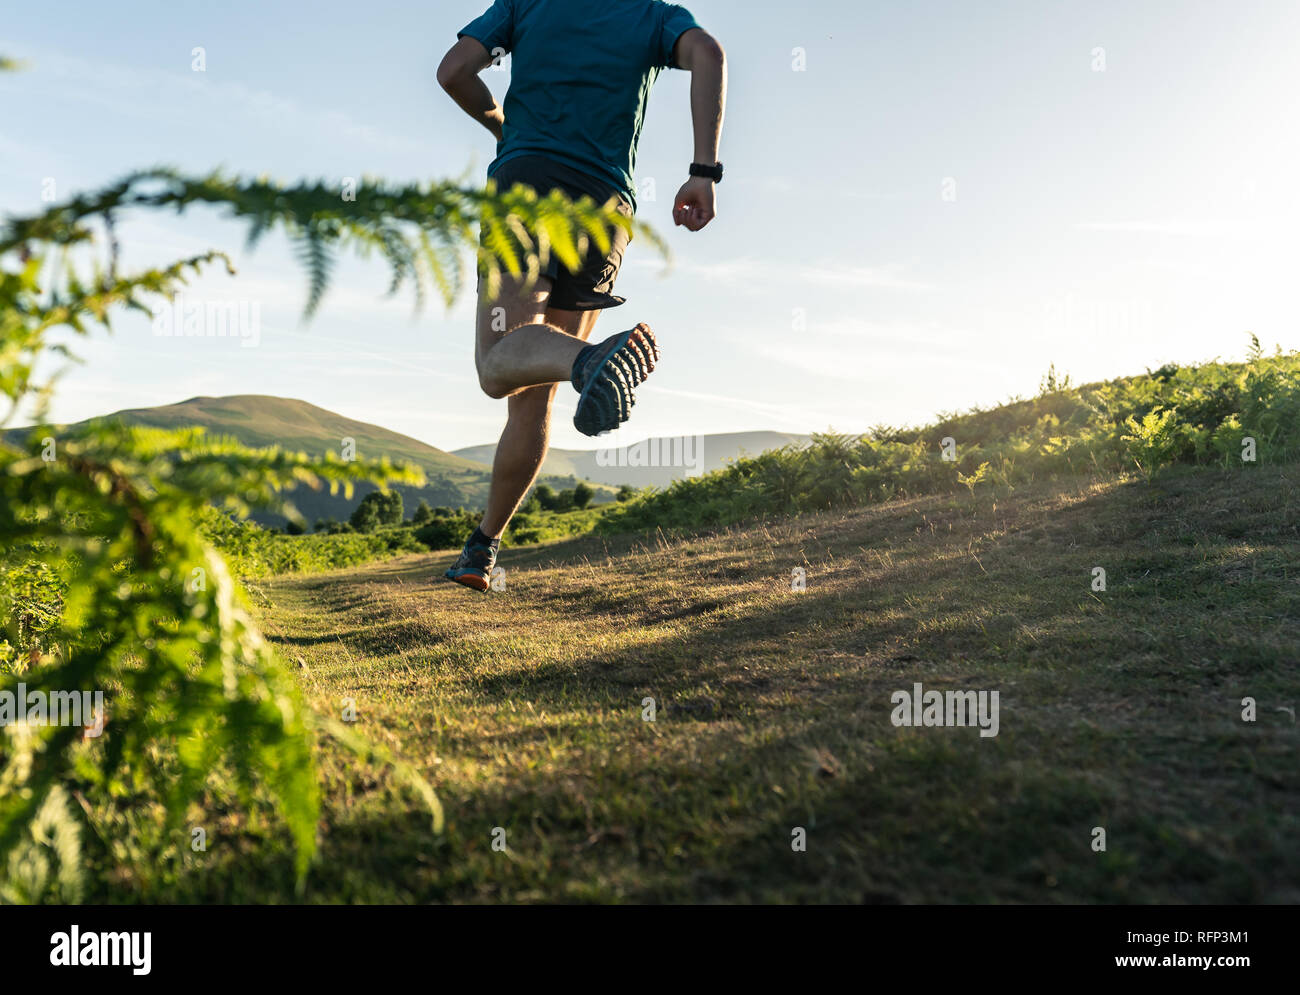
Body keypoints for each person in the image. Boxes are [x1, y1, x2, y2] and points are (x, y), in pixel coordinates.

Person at [436, 0, 727, 591]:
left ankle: (591, 360)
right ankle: (481, 550)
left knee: (498, 368)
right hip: (606, 207)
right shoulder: (652, 14)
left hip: (528, 186)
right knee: (534, 394)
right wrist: (704, 171)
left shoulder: (526, 4)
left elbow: (453, 73)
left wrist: (501, 125)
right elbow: (709, 54)